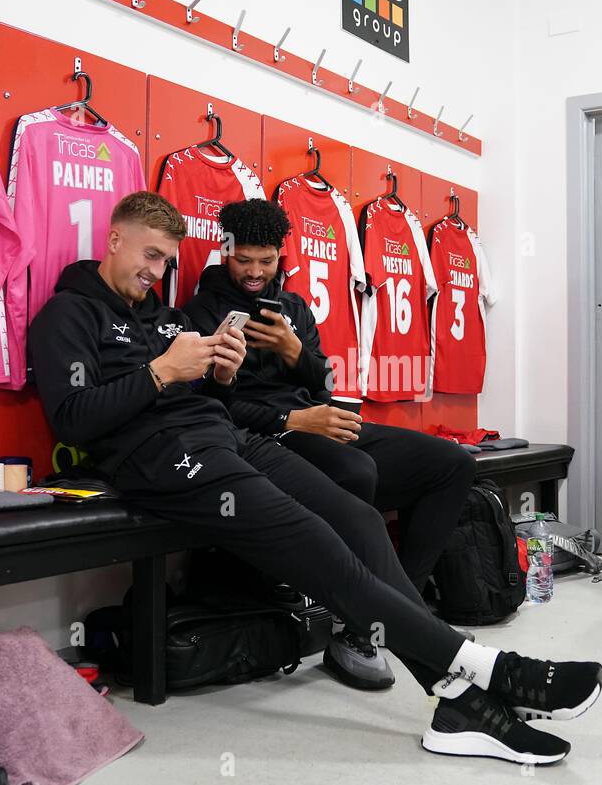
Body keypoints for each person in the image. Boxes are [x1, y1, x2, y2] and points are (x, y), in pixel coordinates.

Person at [28, 190, 602, 764]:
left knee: (356, 518)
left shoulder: (162, 315)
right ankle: (486, 672)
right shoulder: (68, 314)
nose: (155, 271)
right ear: (113, 240)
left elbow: (215, 392)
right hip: (161, 459)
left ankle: (455, 699)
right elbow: (73, 420)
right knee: (318, 546)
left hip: (227, 437)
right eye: (148, 255)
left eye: (164, 261)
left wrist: (218, 375)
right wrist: (160, 373)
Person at [184, 198, 477, 691]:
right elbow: (213, 410)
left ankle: (403, 617)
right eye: (244, 259)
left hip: (319, 419)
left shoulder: (294, 307)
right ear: (225, 251)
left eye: (267, 259)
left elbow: (325, 381)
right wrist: (295, 417)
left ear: (282, 254)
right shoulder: (200, 312)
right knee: (357, 470)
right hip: (263, 436)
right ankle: (358, 627)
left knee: (450, 463)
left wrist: (293, 350)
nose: (255, 272)